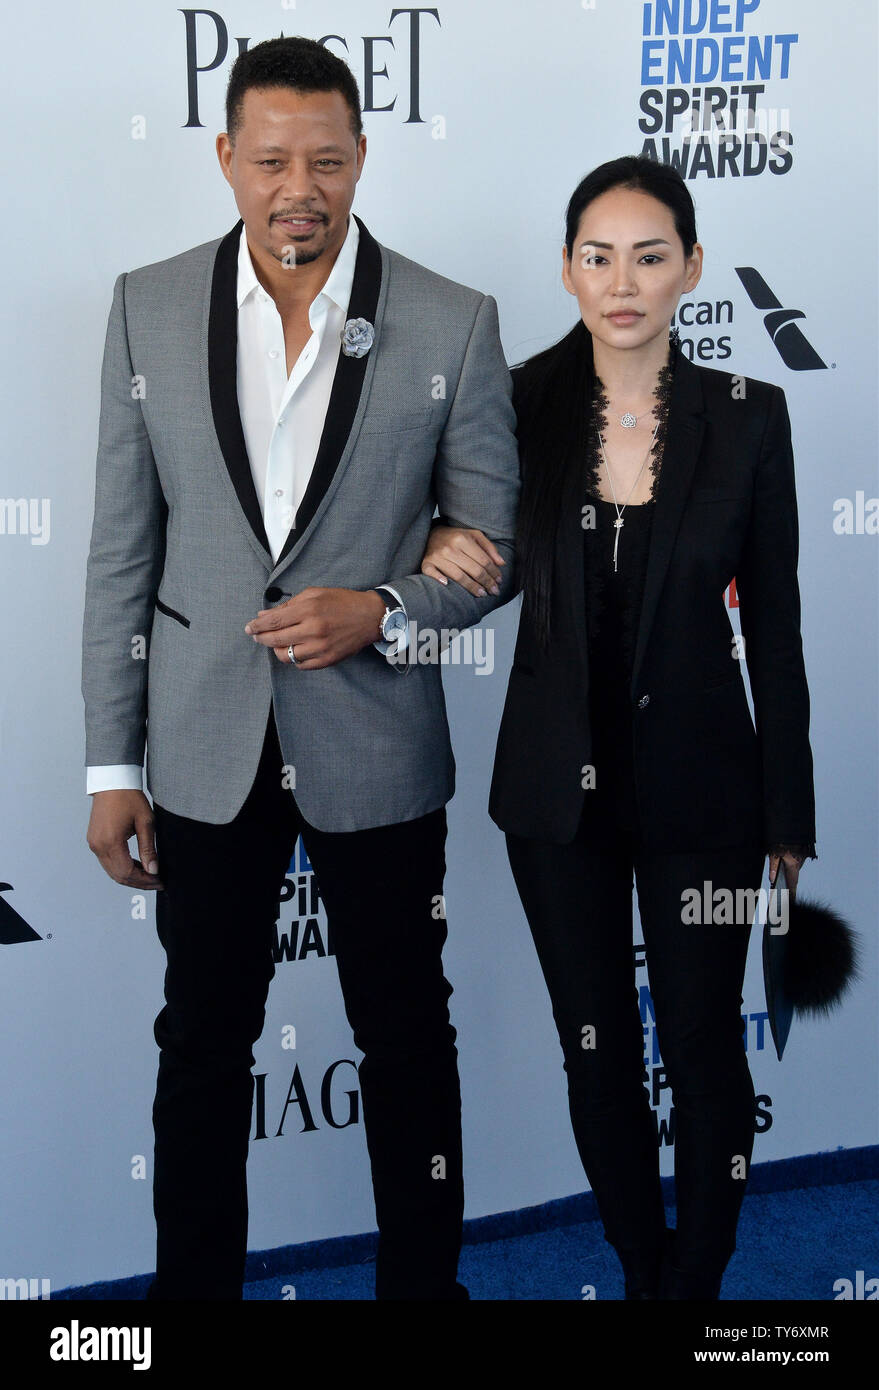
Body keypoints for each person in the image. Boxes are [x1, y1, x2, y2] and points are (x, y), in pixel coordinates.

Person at [81, 36, 519, 1301]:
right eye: (271, 159)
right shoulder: (144, 307)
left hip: (376, 743)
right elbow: (120, 555)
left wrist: (381, 606)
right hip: (203, 747)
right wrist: (115, 761)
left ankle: (423, 1294)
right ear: (225, 159)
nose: (300, 187)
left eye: (327, 159)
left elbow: (492, 554)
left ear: (363, 158)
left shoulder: (453, 319)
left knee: (406, 1036)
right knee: (202, 1044)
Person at [421, 155, 816, 1300]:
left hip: (709, 794)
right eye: (599, 256)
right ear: (567, 270)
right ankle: (643, 1272)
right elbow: (463, 547)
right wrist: (439, 551)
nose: (624, 279)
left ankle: (700, 1284)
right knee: (595, 1050)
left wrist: (788, 811)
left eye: (651, 255)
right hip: (556, 801)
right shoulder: (516, 398)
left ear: (692, 267)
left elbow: (777, 634)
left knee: (704, 1052)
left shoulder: (751, 419)